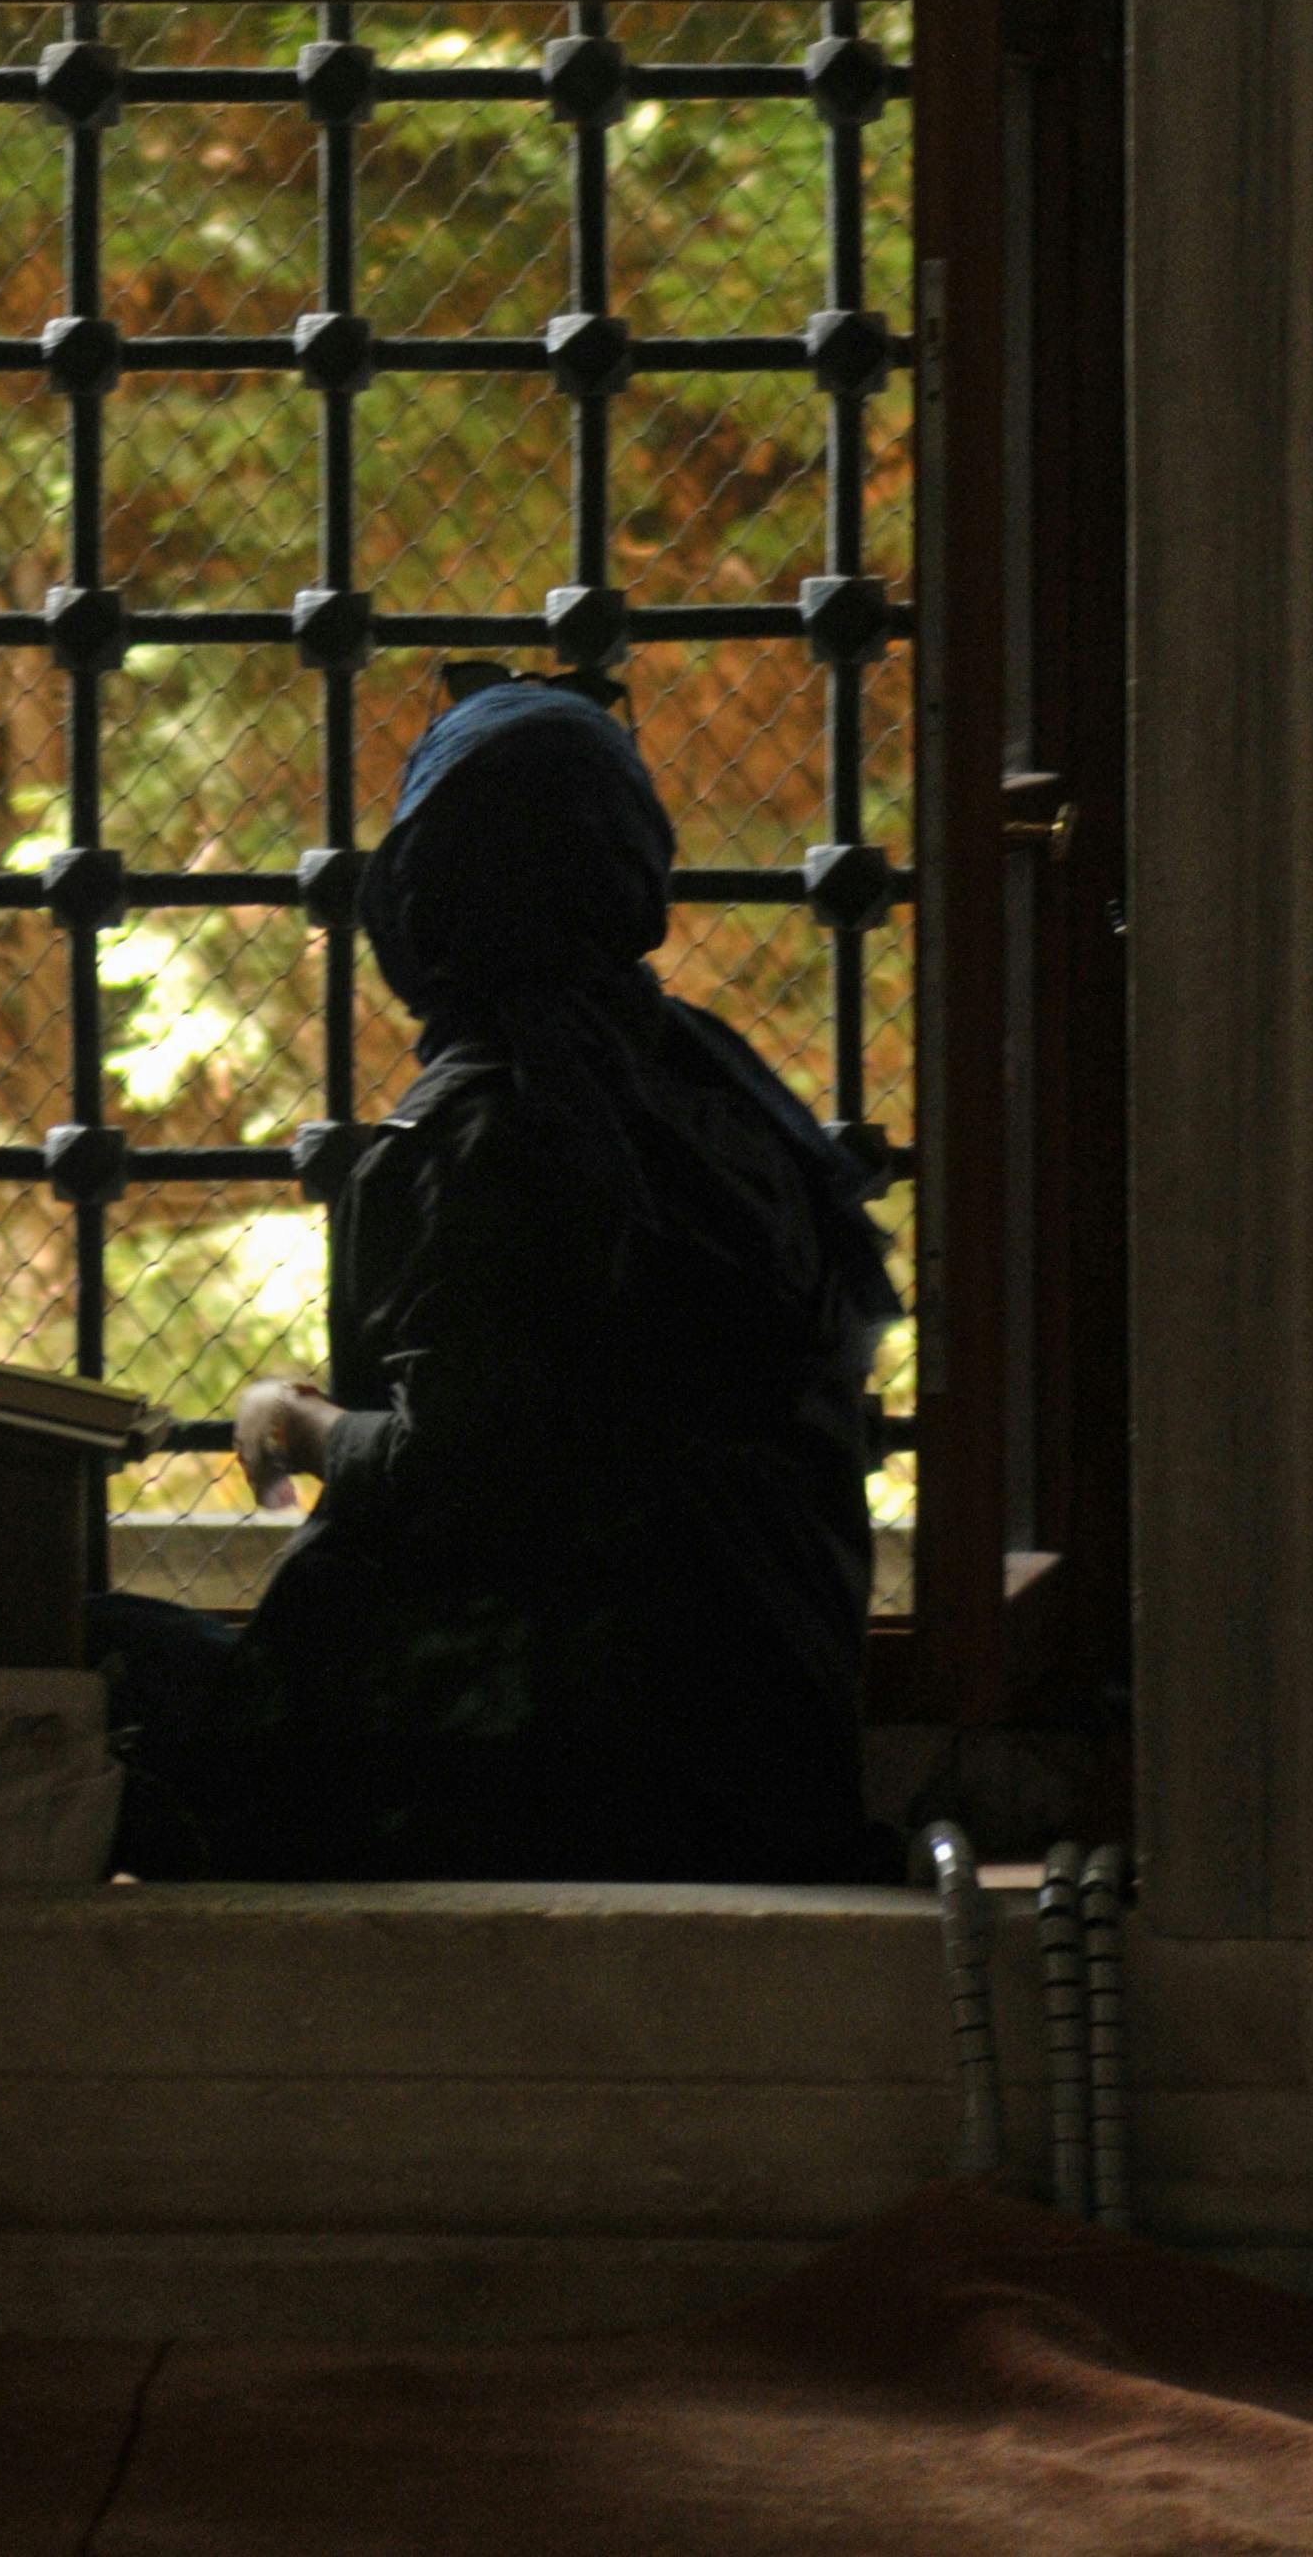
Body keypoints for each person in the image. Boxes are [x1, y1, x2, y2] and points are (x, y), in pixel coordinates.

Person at [92, 676, 899, 1883]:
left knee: (78, 1665)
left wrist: (295, 1422)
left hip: (551, 1775)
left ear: (418, 897)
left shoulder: (489, 1122)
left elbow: (462, 1475)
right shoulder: (721, 1096)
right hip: (764, 1766)